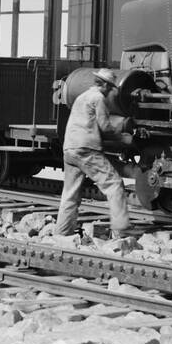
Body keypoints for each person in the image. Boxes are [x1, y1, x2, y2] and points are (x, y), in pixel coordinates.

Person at [55, 68, 132, 240]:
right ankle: (122, 232)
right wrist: (123, 134)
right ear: (104, 85)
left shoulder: (82, 96)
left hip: (70, 148)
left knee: (70, 194)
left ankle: (61, 232)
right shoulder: (98, 98)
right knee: (114, 184)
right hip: (86, 149)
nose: (111, 91)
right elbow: (105, 127)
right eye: (111, 87)